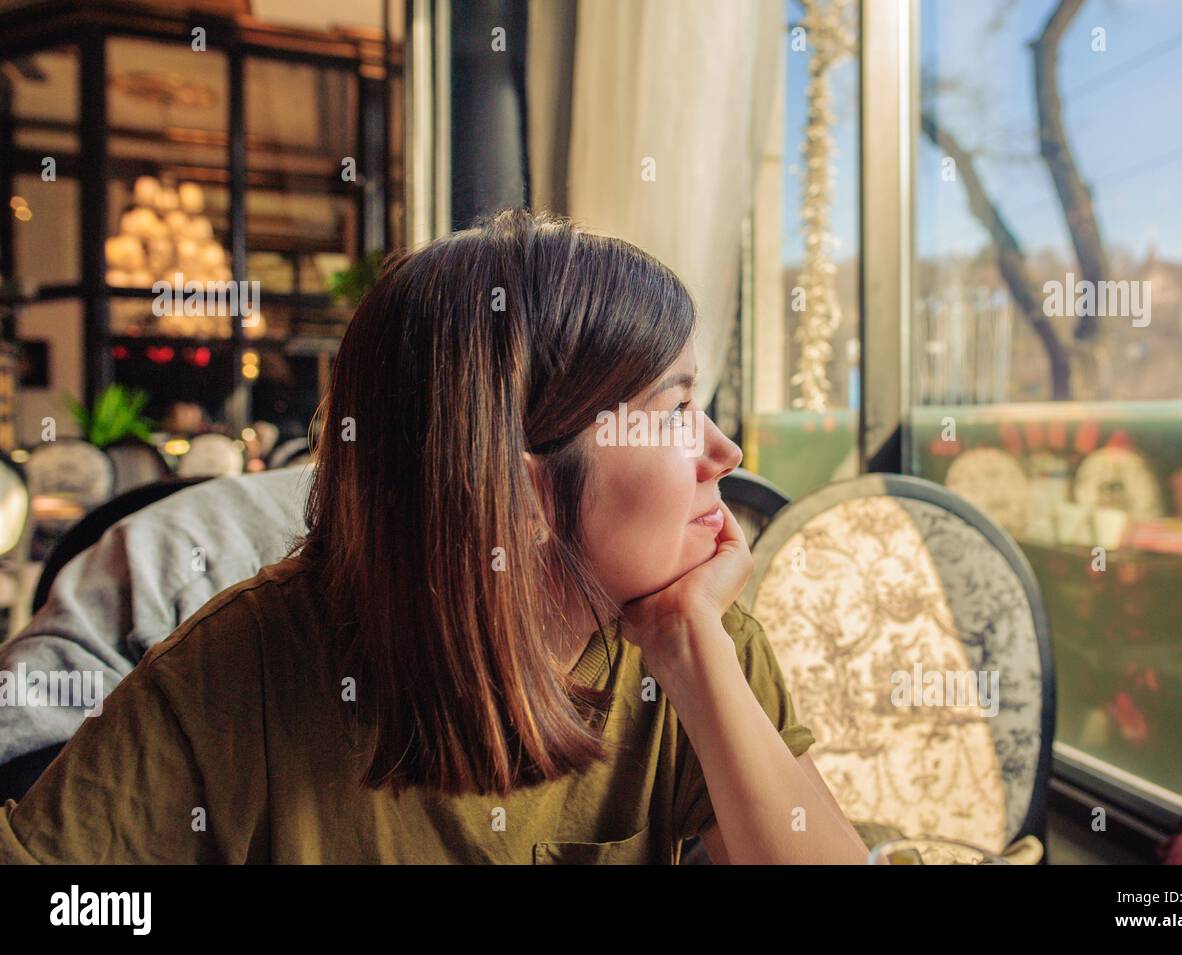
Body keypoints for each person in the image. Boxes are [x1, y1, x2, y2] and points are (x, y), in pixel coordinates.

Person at [0, 208, 868, 864]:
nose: (725, 449)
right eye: (677, 411)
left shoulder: (691, 643)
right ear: (520, 494)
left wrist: (693, 649)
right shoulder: (240, 671)